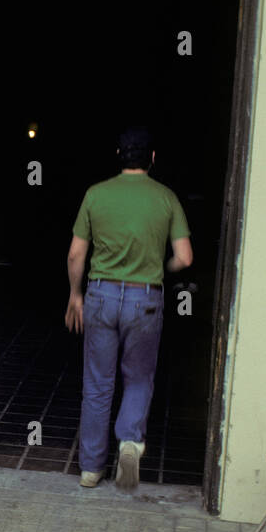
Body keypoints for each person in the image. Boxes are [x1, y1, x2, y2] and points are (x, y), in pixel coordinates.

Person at [65, 126, 192, 490]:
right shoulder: (166, 197)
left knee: (98, 383)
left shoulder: (96, 194)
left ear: (119, 156)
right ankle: (130, 442)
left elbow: (76, 253)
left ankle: (91, 469)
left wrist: (76, 294)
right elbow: (184, 257)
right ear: (152, 159)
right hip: (145, 299)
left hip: (101, 295)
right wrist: (159, 270)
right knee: (138, 378)